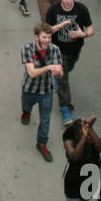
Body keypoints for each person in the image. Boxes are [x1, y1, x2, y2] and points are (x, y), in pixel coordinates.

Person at [46, 0, 94, 123]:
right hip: (58, 51)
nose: (68, 1)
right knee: (64, 81)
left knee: (69, 69)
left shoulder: (81, 9)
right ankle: (65, 109)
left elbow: (90, 28)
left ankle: (57, 77)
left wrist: (83, 34)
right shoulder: (53, 10)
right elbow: (47, 30)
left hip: (75, 49)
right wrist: (59, 26)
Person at [21, 23, 64, 161]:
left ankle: (42, 143)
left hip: (46, 90)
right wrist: (49, 67)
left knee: (45, 120)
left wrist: (58, 73)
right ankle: (26, 112)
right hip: (30, 89)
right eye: (44, 37)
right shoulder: (27, 49)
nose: (47, 40)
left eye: (49, 37)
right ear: (36, 37)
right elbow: (32, 73)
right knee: (26, 106)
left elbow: (60, 74)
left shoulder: (55, 49)